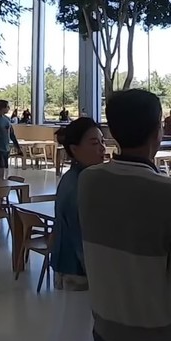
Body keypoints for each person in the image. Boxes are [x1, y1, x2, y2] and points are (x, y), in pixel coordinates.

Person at [78, 89, 171, 341]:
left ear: (112, 131)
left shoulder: (88, 181)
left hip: (105, 323)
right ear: (157, 130)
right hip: (155, 330)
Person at [53, 118, 106, 291]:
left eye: (102, 142)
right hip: (77, 273)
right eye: (94, 143)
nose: (102, 148)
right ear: (74, 149)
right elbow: (80, 238)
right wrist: (98, 273)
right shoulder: (78, 185)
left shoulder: (83, 178)